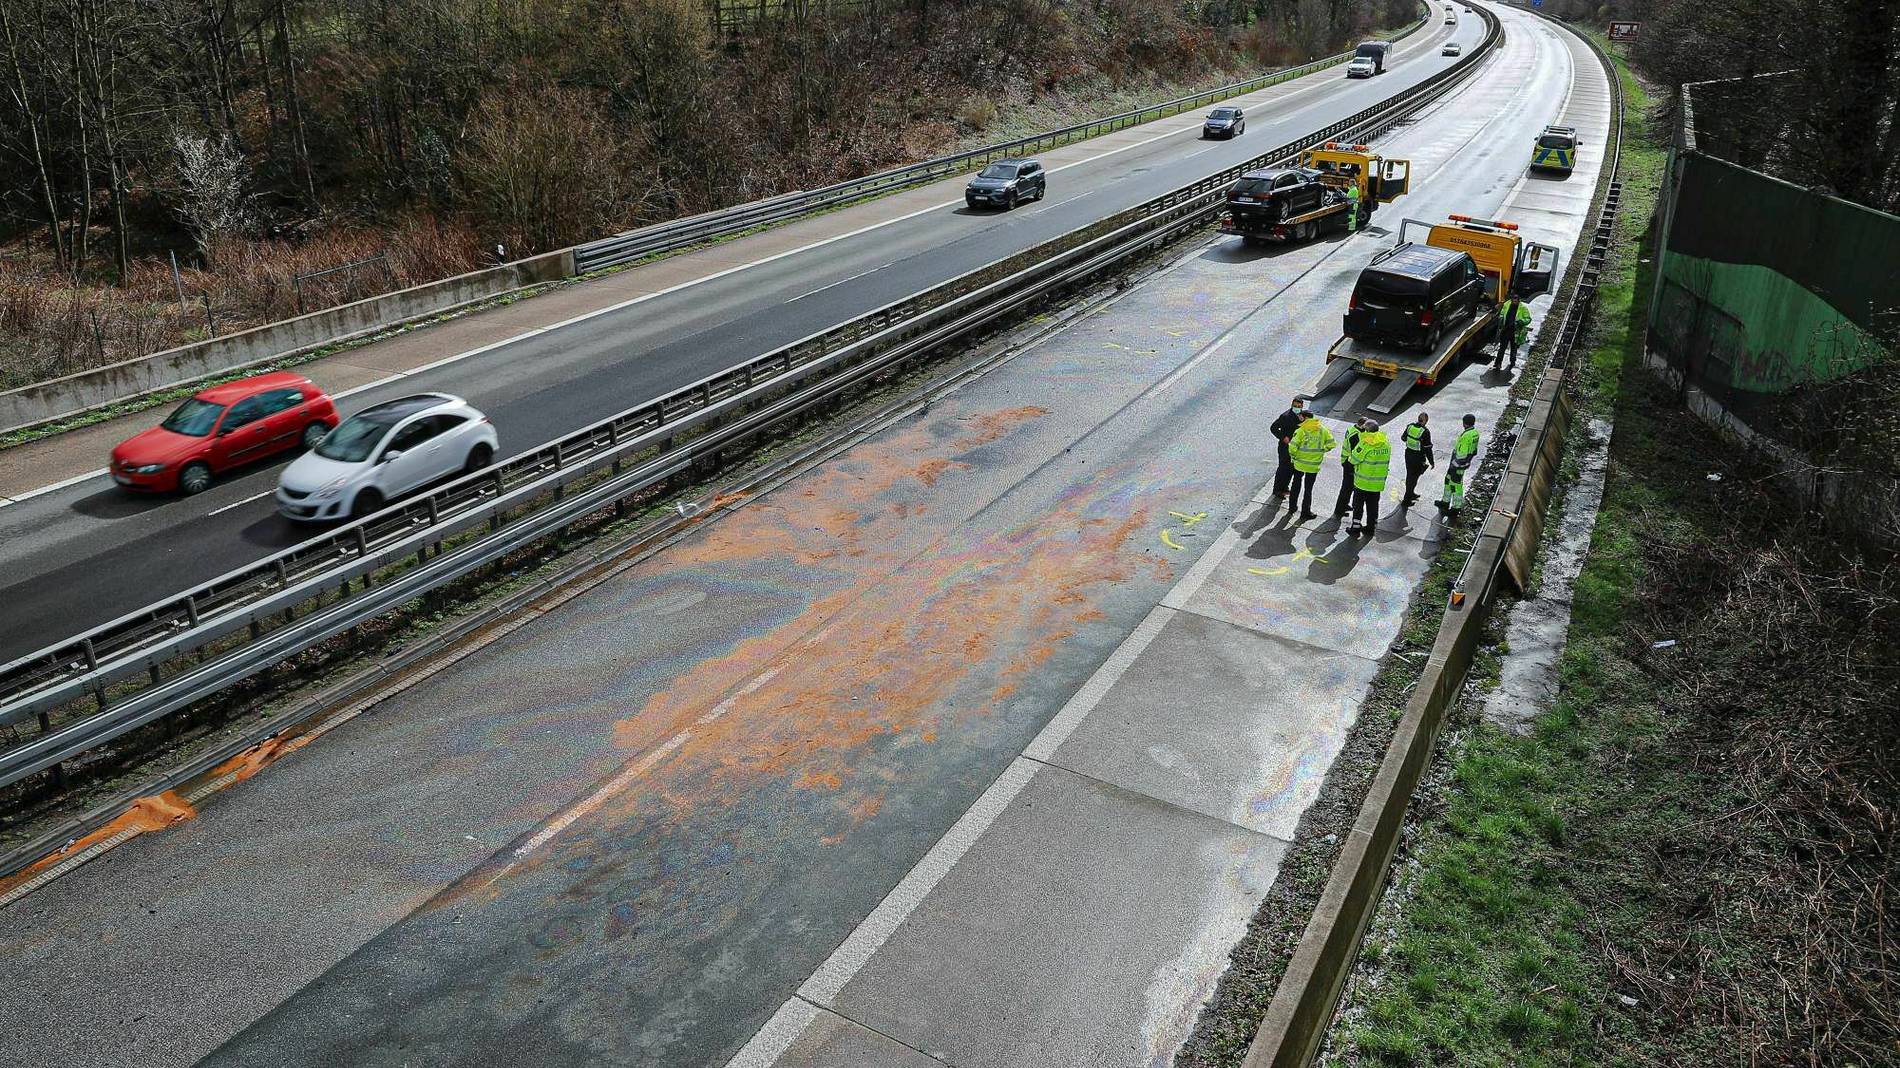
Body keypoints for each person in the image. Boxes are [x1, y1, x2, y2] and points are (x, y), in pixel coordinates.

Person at [1287, 411, 1336, 520]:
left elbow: (1292, 447)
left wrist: (1294, 457)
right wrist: (1322, 451)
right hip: (1313, 466)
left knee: (1296, 485)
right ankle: (1305, 512)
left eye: (1300, 416)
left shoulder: (1301, 430)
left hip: (1299, 464)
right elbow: (1332, 444)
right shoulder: (1323, 430)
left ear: (1304, 418)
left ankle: (1292, 507)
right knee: (1308, 489)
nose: (1299, 418)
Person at [1348, 420, 1392, 536]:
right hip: (1377, 483)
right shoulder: (1385, 442)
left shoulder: (1365, 443)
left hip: (1362, 482)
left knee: (1358, 506)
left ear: (1367, 430)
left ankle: (1355, 528)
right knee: (1373, 506)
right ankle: (1371, 528)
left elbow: (1353, 459)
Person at [1438, 414, 1480, 518]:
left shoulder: (1467, 435)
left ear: (1464, 423)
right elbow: (1473, 451)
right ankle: (1445, 501)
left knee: (1456, 485)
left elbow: (1462, 453)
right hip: (1460, 463)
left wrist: (1455, 464)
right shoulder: (1474, 433)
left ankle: (1456, 508)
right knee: (1448, 480)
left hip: (1458, 465)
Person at [1269, 397, 1306, 501]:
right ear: (1291, 405)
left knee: (1290, 468)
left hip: (1296, 447)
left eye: (1299, 407)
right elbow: (1273, 428)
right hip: (1285, 447)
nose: (1297, 408)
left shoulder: (1303, 417)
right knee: (1283, 468)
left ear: (1302, 407)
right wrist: (1283, 437)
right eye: (1295, 406)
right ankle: (1277, 489)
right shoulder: (1285, 416)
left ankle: (1285, 487)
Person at [1400, 412, 1434, 507]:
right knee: (1413, 479)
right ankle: (1407, 500)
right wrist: (1432, 462)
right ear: (1426, 421)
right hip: (1418, 458)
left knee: (1409, 476)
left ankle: (1411, 493)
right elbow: (1428, 450)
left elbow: (1403, 438)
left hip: (1408, 455)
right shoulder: (1425, 432)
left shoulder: (1410, 426)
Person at [1333, 419, 1364, 518]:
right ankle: (1339, 510)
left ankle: (1344, 505)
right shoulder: (1356, 435)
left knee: (1348, 487)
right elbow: (1356, 452)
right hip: (1349, 463)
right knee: (1346, 488)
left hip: (1346, 460)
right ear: (1361, 425)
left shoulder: (1352, 429)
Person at [1493, 297, 1533, 369]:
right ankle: (1498, 363)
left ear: (1518, 301)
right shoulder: (1507, 304)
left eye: (1516, 301)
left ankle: (1512, 362)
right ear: (1511, 300)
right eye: (1513, 301)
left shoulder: (1523, 308)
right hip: (1506, 330)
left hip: (1516, 332)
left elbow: (1528, 319)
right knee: (1502, 348)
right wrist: (1501, 319)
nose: (1514, 302)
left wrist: (1520, 322)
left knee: (1514, 348)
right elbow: (1502, 313)